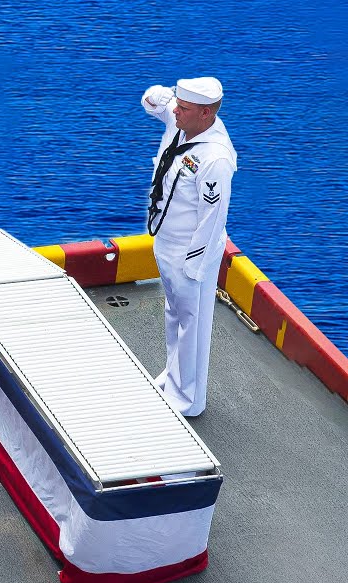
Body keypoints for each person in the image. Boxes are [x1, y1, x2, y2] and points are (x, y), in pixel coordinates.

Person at [141, 77, 237, 417]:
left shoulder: (215, 158)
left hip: (189, 252)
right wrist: (164, 97)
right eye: (178, 106)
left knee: (192, 324)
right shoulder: (184, 124)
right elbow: (151, 101)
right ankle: (173, 378)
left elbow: (211, 220)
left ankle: (188, 401)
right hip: (165, 242)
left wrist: (194, 267)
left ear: (205, 113)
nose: (175, 112)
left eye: (183, 108)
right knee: (175, 315)